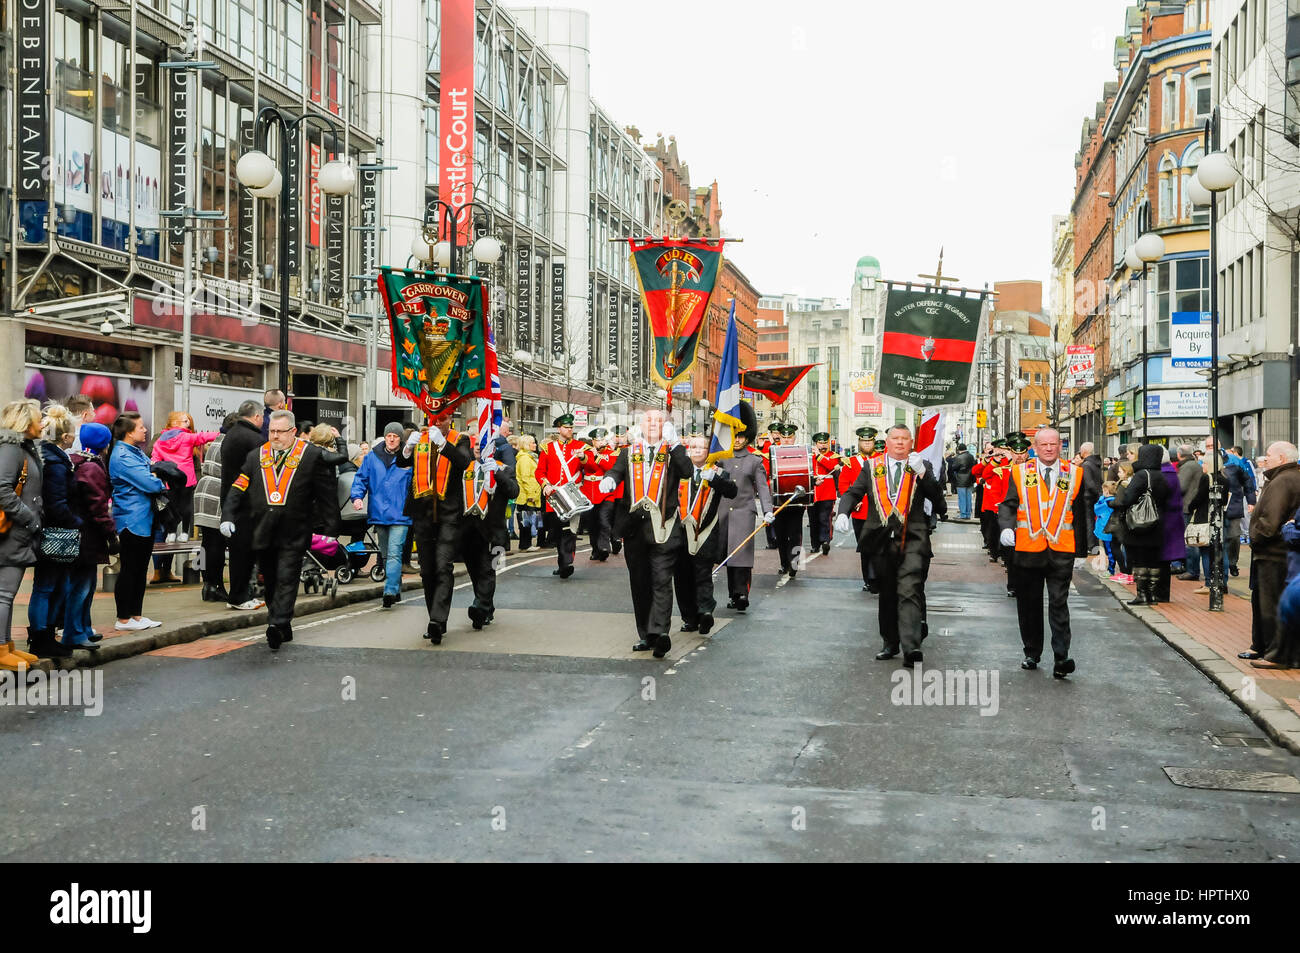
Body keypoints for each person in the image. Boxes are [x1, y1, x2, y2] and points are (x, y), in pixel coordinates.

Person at [221, 409, 339, 651]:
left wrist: (331, 528)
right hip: (263, 530)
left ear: (293, 431)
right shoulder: (256, 456)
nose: (274, 436)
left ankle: (276, 624)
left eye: (280, 432)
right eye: (271, 431)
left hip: (295, 530)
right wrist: (228, 515)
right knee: (271, 579)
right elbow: (238, 487)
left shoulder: (310, 455)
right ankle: (282, 624)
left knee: (287, 576)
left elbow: (326, 493)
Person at [835, 424, 945, 668]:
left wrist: (924, 476)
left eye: (905, 439)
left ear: (911, 442)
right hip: (881, 539)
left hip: (913, 538)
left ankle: (911, 647)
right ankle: (890, 642)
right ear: (887, 441)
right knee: (887, 593)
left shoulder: (921, 466)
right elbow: (854, 492)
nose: (900, 442)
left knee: (910, 588)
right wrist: (843, 512)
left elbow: (939, 501)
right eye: (895, 438)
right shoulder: (873, 466)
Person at [598, 409, 692, 657]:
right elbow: (616, 472)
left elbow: (687, 471)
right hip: (634, 528)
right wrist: (608, 479)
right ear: (640, 424)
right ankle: (646, 634)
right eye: (649, 420)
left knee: (662, 579)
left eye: (659, 420)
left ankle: (660, 632)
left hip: (663, 527)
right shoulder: (629, 453)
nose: (653, 424)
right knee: (640, 583)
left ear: (666, 426)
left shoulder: (672, 452)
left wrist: (676, 445)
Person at [997, 428, 1088, 678]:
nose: (1049, 448)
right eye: (1043, 444)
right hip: (1028, 549)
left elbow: (1081, 514)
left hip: (1061, 549)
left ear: (1061, 446)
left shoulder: (1075, 474)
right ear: (1034, 448)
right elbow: (1008, 504)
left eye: (1053, 444)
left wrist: (1084, 550)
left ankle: (1061, 657)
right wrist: (1006, 528)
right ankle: (1032, 652)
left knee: (1059, 603)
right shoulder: (1020, 472)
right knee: (1029, 604)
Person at [402, 412, 472, 645]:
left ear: (450, 419)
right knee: (427, 570)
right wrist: (407, 448)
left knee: (444, 566)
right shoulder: (420, 437)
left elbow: (464, 462)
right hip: (422, 513)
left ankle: (437, 620)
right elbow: (402, 464)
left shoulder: (458, 439)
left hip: (448, 513)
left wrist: (443, 445)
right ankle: (434, 615)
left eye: (441, 419)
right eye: (432, 419)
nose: (436, 423)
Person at [26, 404, 80, 659]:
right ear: (66, 437)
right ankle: (41, 636)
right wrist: (76, 522)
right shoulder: (57, 463)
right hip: (55, 533)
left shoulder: (49, 458)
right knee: (48, 586)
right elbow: (57, 503)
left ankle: (44, 635)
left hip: (49, 529)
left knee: (53, 585)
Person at [672, 433, 737, 634]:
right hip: (681, 532)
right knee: (682, 577)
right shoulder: (678, 471)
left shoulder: (717, 471)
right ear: (687, 450)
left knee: (702, 574)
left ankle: (705, 612)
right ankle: (689, 618)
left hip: (705, 532)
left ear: (709, 452)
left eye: (702, 447)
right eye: (693, 447)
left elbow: (732, 491)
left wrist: (716, 480)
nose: (697, 450)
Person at [1244, 442, 1300, 669]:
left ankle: (1276, 653)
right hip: (1276, 552)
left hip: (1273, 553)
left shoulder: (1283, 481)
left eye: (1268, 455)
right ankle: (1264, 646)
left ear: (1282, 458)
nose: (1264, 459)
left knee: (1270, 604)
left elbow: (1271, 519)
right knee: (1265, 601)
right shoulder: (1284, 478)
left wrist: (1256, 536)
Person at [109, 412, 166, 631]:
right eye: (140, 427)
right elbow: (151, 484)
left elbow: (152, 473)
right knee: (131, 568)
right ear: (129, 432)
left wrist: (154, 476)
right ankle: (123, 618)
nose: (145, 430)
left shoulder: (135, 452)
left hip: (144, 517)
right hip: (131, 519)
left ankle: (136, 615)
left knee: (141, 568)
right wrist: (157, 479)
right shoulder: (123, 456)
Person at [0, 399, 45, 672]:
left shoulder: (19, 448)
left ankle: (7, 645)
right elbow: (2, 489)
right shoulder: (11, 449)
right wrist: (29, 519)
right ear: (25, 422)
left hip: (18, 532)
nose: (42, 424)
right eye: (38, 419)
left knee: (7, 593)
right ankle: (1, 649)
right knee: (4, 594)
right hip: (11, 533)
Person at [350, 422, 414, 609]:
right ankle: (396, 586)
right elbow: (361, 479)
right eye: (389, 436)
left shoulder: (408, 458)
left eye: (395, 436)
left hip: (401, 514)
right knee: (386, 555)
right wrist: (357, 497)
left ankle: (389, 590)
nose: (392, 439)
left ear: (400, 438)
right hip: (379, 512)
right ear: (385, 437)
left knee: (394, 554)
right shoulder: (371, 458)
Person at [717, 402, 773, 612]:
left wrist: (768, 510)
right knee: (727, 555)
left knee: (741, 555)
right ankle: (733, 593)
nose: (738, 439)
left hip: (744, 512)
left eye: (741, 435)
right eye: (735, 435)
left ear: (747, 436)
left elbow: (762, 488)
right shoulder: (721, 457)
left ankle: (741, 593)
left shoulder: (754, 461)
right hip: (723, 511)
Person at [66, 422, 116, 650]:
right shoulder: (92, 468)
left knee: (86, 583)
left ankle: (84, 627)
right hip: (88, 535)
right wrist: (111, 532)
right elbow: (97, 506)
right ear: (104, 443)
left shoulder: (79, 462)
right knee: (82, 586)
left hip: (83, 533)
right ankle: (74, 632)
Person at [458, 450, 519, 630]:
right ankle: (486, 606)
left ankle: (480, 607)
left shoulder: (504, 469)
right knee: (475, 572)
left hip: (494, 532)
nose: (478, 447)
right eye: (476, 443)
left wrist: (497, 474)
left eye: (482, 444)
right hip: (469, 531)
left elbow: (513, 491)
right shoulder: (464, 468)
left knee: (488, 570)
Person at [220, 401, 266, 610]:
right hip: (247, 503)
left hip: (231, 499)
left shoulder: (231, 435)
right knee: (244, 553)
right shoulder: (254, 439)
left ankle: (238, 594)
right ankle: (239, 596)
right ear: (256, 416)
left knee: (239, 551)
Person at [1111, 443, 1169, 607]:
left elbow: (1128, 498)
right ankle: (1152, 594)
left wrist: (1115, 503)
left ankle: (1142, 594)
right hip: (1157, 523)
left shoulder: (1142, 475)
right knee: (1153, 561)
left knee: (1140, 560)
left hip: (1140, 525)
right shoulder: (1161, 475)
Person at [192, 413, 238, 603]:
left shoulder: (218, 440)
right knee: (216, 544)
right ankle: (216, 586)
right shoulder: (230, 443)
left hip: (204, 488)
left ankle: (207, 585)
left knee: (207, 543)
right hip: (217, 490)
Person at [536, 413, 588, 579]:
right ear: (559, 428)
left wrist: (584, 458)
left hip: (572, 495)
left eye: (571, 427)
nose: (570, 430)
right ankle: (563, 563)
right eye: (567, 427)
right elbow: (540, 471)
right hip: (555, 496)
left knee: (569, 530)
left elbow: (592, 467)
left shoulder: (581, 446)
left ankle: (566, 563)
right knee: (557, 531)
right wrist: (545, 485)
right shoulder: (548, 448)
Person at [838, 426, 880, 592]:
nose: (867, 443)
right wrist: (852, 503)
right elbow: (843, 485)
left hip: (878, 512)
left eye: (869, 441)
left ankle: (877, 577)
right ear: (859, 442)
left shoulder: (882, 459)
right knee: (865, 547)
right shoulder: (851, 462)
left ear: (874, 442)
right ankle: (868, 579)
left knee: (878, 547)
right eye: (864, 440)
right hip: (859, 512)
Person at [771, 421, 807, 577]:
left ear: (794, 438)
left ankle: (794, 563)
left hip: (796, 500)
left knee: (795, 534)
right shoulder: (772, 453)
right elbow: (766, 474)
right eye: (783, 437)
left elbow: (808, 473)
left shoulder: (801, 453)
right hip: (778, 501)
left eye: (789, 437)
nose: (786, 440)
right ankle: (784, 563)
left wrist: (813, 482)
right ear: (779, 437)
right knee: (780, 534)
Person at [1153, 445, 1185, 603]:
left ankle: (1161, 593)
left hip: (1165, 520)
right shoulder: (1171, 473)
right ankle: (1161, 592)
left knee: (1162, 559)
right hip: (1171, 519)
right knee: (1164, 559)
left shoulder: (1164, 475)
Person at [581, 428, 619, 561]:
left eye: (602, 439)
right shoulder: (587, 452)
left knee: (604, 520)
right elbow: (588, 467)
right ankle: (595, 549)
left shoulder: (612, 453)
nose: (601, 442)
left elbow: (610, 467)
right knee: (592, 523)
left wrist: (597, 457)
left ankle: (604, 547)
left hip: (605, 493)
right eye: (598, 440)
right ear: (593, 441)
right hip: (588, 492)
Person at [809, 432, 840, 556]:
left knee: (824, 518)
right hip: (812, 492)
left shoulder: (833, 456)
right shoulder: (809, 455)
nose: (823, 445)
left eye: (825, 443)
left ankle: (825, 541)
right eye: (820, 443)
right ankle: (815, 545)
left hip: (827, 492)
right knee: (813, 519)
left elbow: (832, 466)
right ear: (816, 444)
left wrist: (818, 456)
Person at [514, 434, 542, 551]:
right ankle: (526, 544)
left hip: (530, 494)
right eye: (532, 443)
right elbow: (525, 478)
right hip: (527, 496)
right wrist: (531, 495)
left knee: (528, 520)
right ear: (526, 445)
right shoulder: (526, 459)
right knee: (527, 521)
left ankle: (525, 544)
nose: (535, 445)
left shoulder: (528, 457)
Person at [1078, 442, 1103, 553]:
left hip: (1088, 497)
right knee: (1093, 521)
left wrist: (1095, 493)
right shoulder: (1096, 464)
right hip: (1096, 496)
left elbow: (1089, 483)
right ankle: (1094, 545)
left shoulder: (1086, 465)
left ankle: (1091, 546)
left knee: (1089, 521)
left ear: (1084, 452)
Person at [1094, 480, 1118, 579]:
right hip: (1112, 529)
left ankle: (1111, 570)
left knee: (1110, 551)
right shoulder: (1115, 500)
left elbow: (1097, 509)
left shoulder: (1106, 502)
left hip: (1106, 530)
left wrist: (1101, 499)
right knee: (1112, 550)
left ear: (1106, 491)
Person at [949, 442, 976, 520]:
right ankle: (968, 514)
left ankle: (963, 514)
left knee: (962, 498)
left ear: (959, 450)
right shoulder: (971, 457)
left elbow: (954, 467)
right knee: (968, 497)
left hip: (961, 480)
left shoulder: (958, 457)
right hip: (970, 479)